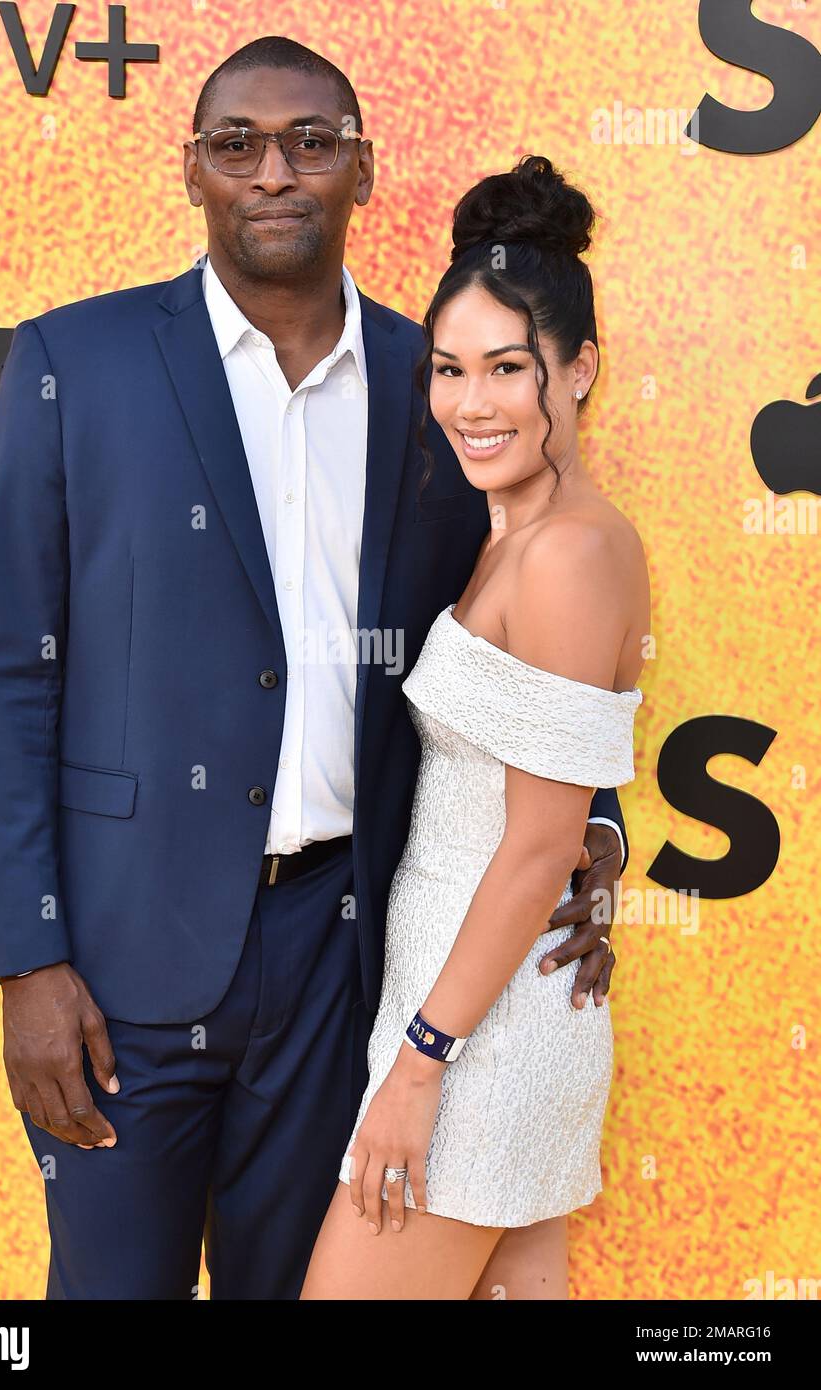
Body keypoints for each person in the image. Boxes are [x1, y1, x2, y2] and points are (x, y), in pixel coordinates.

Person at [0, 38, 630, 1301]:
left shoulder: (433, 387)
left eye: (312, 142)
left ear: (362, 171)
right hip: (115, 966)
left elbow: (511, 649)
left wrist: (594, 820)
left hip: (343, 963)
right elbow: (1, 679)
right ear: (191, 170)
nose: (275, 171)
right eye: (238, 144)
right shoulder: (71, 366)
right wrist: (24, 959)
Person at [301, 155, 649, 1301]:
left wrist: (419, 1066)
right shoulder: (516, 529)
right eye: (448, 369)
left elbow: (539, 842)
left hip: (473, 1041)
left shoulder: (568, 551)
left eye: (510, 368)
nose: (471, 402)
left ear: (579, 368)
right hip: (478, 1010)